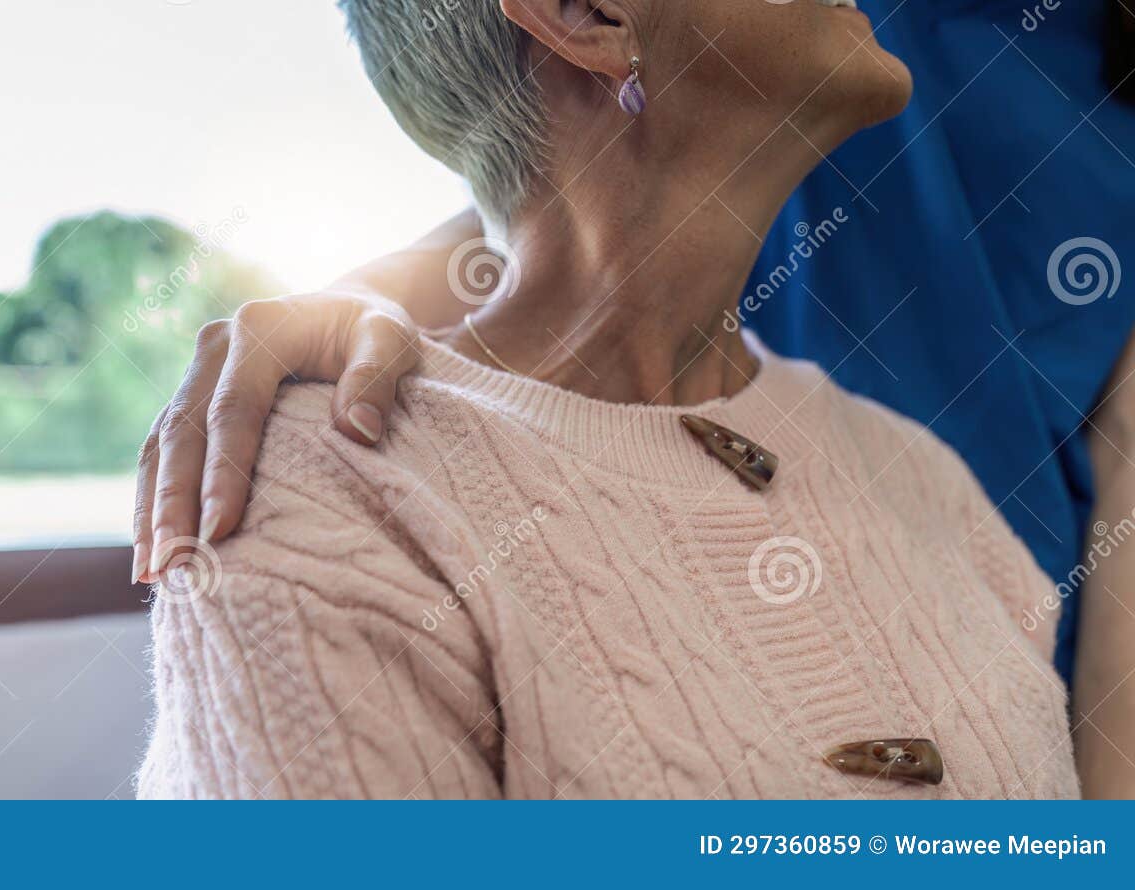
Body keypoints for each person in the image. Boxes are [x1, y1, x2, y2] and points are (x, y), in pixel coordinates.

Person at [134, 0, 1135, 797]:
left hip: (1008, 605)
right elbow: (587, 177)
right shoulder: (331, 516)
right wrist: (348, 314)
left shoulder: (929, 490)